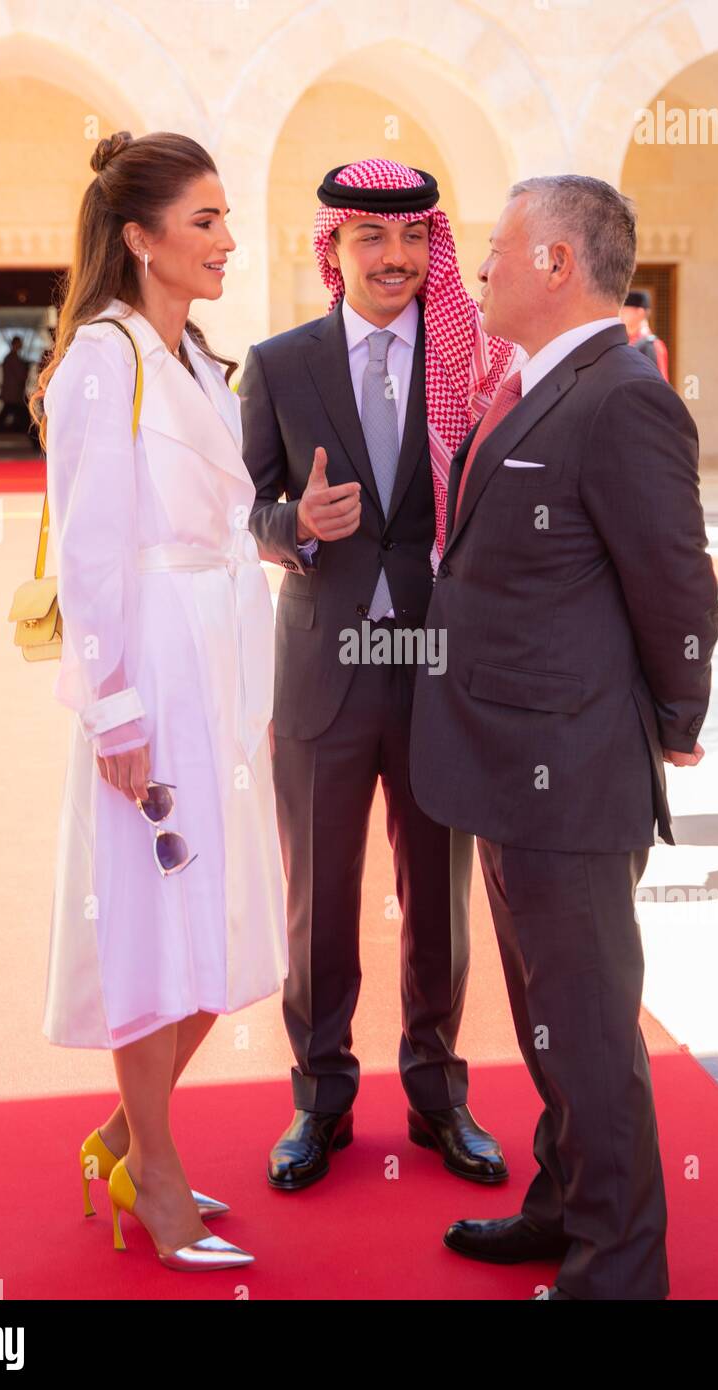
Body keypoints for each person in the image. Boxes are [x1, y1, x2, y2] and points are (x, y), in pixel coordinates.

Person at [409, 175, 718, 1300]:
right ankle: (564, 1203)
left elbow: (675, 584)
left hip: (570, 767)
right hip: (508, 759)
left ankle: (619, 1268)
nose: (476, 265)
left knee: (586, 1028)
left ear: (554, 265)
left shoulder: (621, 396)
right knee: (547, 1017)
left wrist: (675, 720)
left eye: (494, 247)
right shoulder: (540, 381)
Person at [30, 130, 287, 1270]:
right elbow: (90, 554)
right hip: (153, 668)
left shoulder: (192, 359)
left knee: (217, 923)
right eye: (203, 221)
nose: (228, 240)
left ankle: (125, 1138)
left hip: (221, 668)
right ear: (139, 239)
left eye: (227, 218)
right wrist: (115, 709)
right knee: (150, 924)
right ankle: (158, 1172)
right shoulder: (103, 358)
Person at [240, 158, 517, 1192]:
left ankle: (439, 1095)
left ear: (430, 247)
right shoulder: (278, 364)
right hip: (324, 667)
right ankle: (320, 1099)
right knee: (318, 898)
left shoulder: (477, 363)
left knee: (437, 896)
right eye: (371, 240)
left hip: (436, 668)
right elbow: (244, 508)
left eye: (411, 241)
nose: (394, 259)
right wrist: (291, 527)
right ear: (335, 247)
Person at [0, 336, 31, 442]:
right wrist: (26, 368)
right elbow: (21, 376)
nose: (21, 345)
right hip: (13, 395)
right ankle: (35, 441)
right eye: (19, 343)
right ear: (15, 344)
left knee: (21, 418)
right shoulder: (12, 359)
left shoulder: (11, 358)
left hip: (13, 394)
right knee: (24, 419)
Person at [621, 289, 669, 381]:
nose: (620, 315)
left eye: (625, 311)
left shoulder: (652, 346)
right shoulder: (623, 341)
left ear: (640, 312)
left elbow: (660, 385)